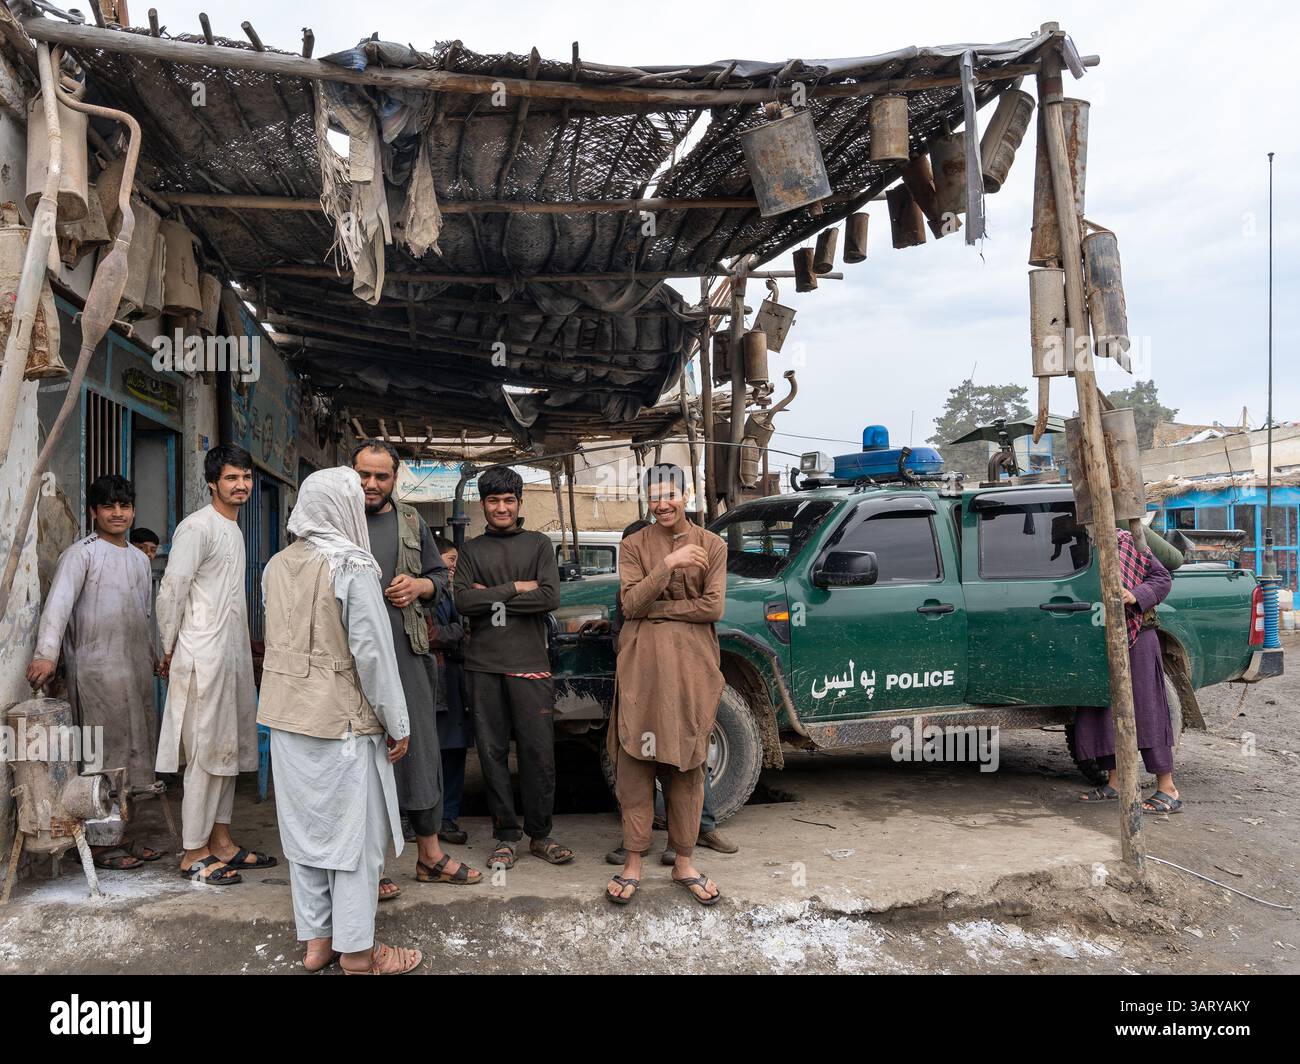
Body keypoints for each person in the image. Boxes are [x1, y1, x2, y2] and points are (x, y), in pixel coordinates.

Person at [258, 467, 421, 976]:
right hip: (343, 725)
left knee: (306, 838)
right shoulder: (354, 565)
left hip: (287, 720)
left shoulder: (276, 565)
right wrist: (398, 720)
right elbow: (372, 655)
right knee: (354, 842)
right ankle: (357, 953)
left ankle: (318, 944)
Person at [352, 440, 480, 894]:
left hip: (407, 651)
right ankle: (371, 867)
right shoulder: (332, 521)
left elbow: (444, 581)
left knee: (419, 748)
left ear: (395, 478)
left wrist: (422, 584)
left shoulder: (411, 521)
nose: (371, 484)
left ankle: (429, 854)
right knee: (360, 756)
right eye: (363, 474)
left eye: (380, 476)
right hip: (348, 661)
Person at [605, 465, 727, 907]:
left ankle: (684, 862)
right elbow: (631, 602)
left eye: (670, 496)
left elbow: (713, 607)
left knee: (688, 761)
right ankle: (633, 861)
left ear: (686, 495)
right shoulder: (634, 545)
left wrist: (659, 612)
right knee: (635, 760)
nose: (662, 504)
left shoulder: (713, 545)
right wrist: (669, 565)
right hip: (641, 666)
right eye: (654, 497)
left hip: (693, 668)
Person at [27, 474, 163, 870]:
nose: (117, 513)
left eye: (124, 506)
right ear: (93, 512)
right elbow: (57, 609)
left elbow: (144, 615)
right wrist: (45, 656)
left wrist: (155, 655)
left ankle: (125, 835)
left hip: (135, 670)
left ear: (133, 510)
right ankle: (101, 845)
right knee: (103, 756)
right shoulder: (80, 554)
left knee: (137, 755)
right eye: (108, 506)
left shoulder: (139, 559)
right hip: (96, 672)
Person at [156, 444, 272, 885]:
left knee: (228, 749)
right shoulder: (196, 528)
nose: (241, 485)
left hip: (231, 656)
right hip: (200, 656)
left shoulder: (234, 529)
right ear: (212, 484)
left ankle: (221, 842)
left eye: (245, 477)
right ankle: (192, 852)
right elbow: (173, 590)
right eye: (231, 478)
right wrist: (167, 647)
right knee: (205, 755)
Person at [453, 464, 573, 869]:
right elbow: (463, 603)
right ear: (483, 504)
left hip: (529, 665)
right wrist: (516, 588)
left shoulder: (538, 544)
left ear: (519, 503)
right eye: (493, 500)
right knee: (492, 753)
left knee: (539, 753)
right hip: (483, 667)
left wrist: (491, 597)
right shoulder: (471, 550)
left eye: (508, 500)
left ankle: (541, 835)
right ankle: (506, 837)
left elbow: (549, 598)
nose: (501, 507)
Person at [1076, 528, 1182, 813]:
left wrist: (1135, 595)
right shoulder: (1078, 546)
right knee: (1103, 710)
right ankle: (1117, 782)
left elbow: (1161, 579)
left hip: (1138, 636)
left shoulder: (1129, 541)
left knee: (1147, 709)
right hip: (1098, 638)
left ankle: (1167, 788)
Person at [432, 535, 472, 846]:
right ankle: (420, 818)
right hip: (434, 680)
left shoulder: (453, 593)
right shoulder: (426, 593)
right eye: (450, 561)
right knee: (426, 752)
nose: (454, 567)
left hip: (454, 682)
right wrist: (459, 631)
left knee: (454, 751)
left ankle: (448, 817)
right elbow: (430, 635)